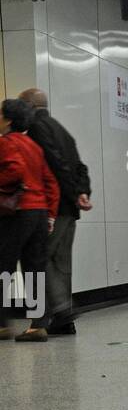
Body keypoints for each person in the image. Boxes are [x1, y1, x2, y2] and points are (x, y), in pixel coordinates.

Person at [18, 86, 91, 335]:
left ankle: (61, 308)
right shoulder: (62, 130)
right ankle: (64, 321)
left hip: (55, 206)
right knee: (61, 262)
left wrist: (70, 194)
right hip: (70, 208)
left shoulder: (37, 129)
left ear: (29, 106)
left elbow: (55, 164)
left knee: (39, 257)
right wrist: (82, 193)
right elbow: (81, 166)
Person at [0, 98, 60, 343]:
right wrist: (51, 215)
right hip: (38, 213)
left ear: (9, 120)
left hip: (16, 213)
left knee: (3, 268)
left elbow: (14, 170)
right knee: (35, 270)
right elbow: (51, 183)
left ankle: (2, 324)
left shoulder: (6, 143)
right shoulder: (34, 146)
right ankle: (38, 325)